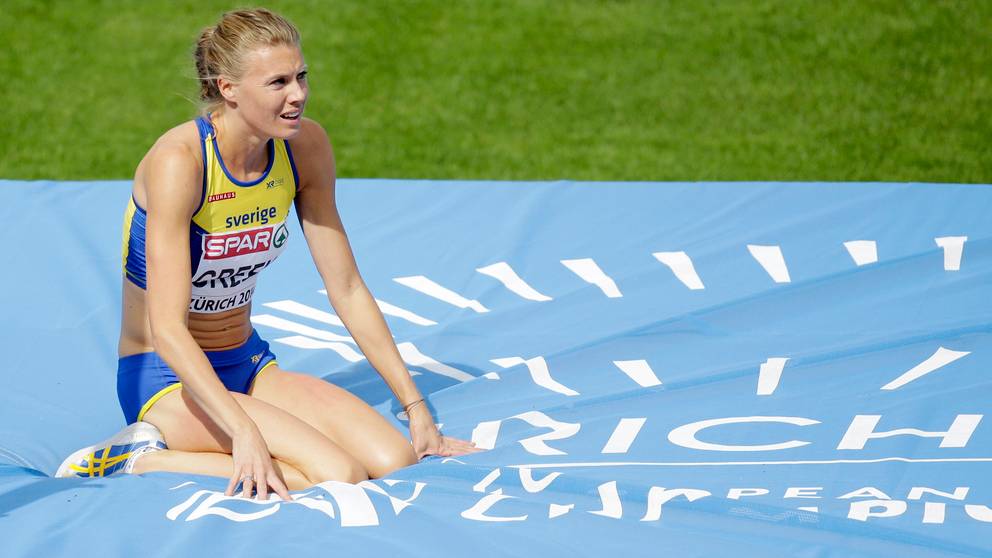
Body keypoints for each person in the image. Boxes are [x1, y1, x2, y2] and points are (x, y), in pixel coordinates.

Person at [56, 8, 480, 500]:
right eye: (277, 82)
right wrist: (243, 432)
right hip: (166, 378)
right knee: (336, 475)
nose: (297, 94)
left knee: (395, 460)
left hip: (247, 362)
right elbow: (168, 329)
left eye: (301, 77)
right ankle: (140, 460)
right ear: (228, 88)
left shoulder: (304, 147)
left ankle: (230, 440)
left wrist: (416, 408)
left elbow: (345, 287)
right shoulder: (181, 163)